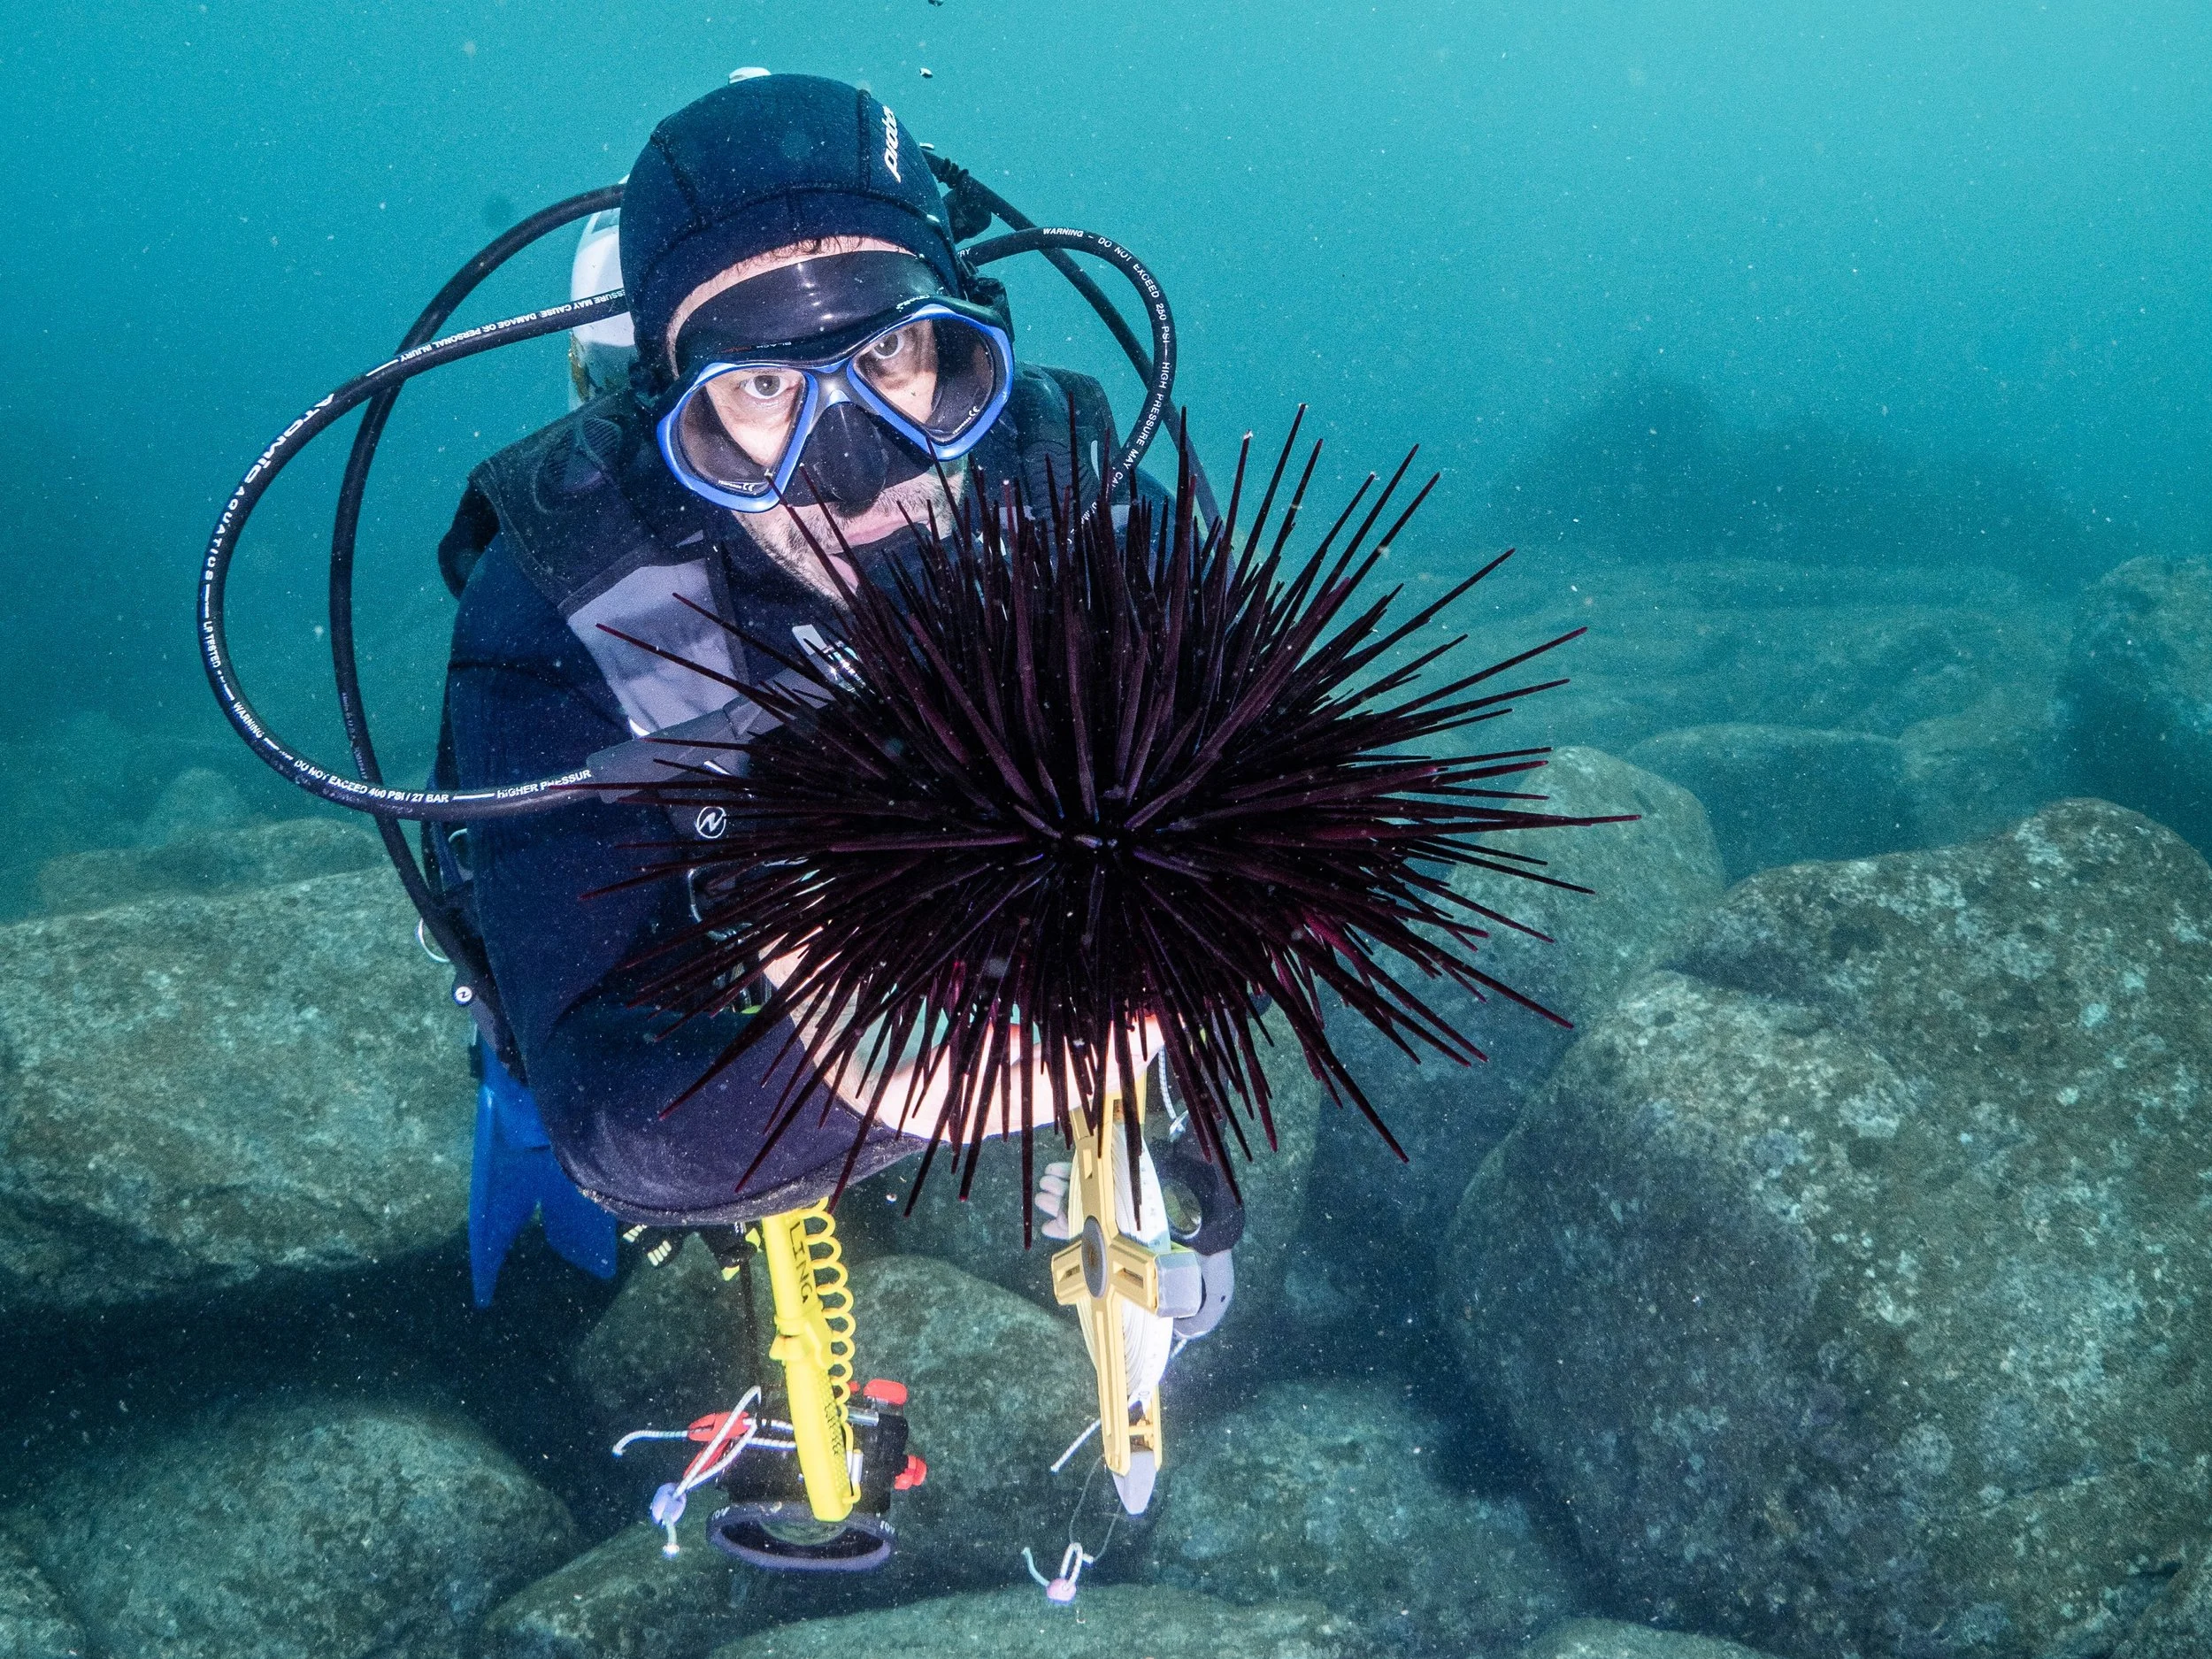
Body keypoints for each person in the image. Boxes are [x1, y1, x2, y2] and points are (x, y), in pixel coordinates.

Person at [437, 72, 1229, 1418]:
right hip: (711, 910)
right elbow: (612, 1109)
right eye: (756, 387)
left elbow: (1264, 820)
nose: (856, 469)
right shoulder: (557, 611)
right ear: (668, 410)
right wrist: (878, 1087)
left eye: (893, 357)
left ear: (972, 348)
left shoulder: (1078, 499)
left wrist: (1193, 1103)